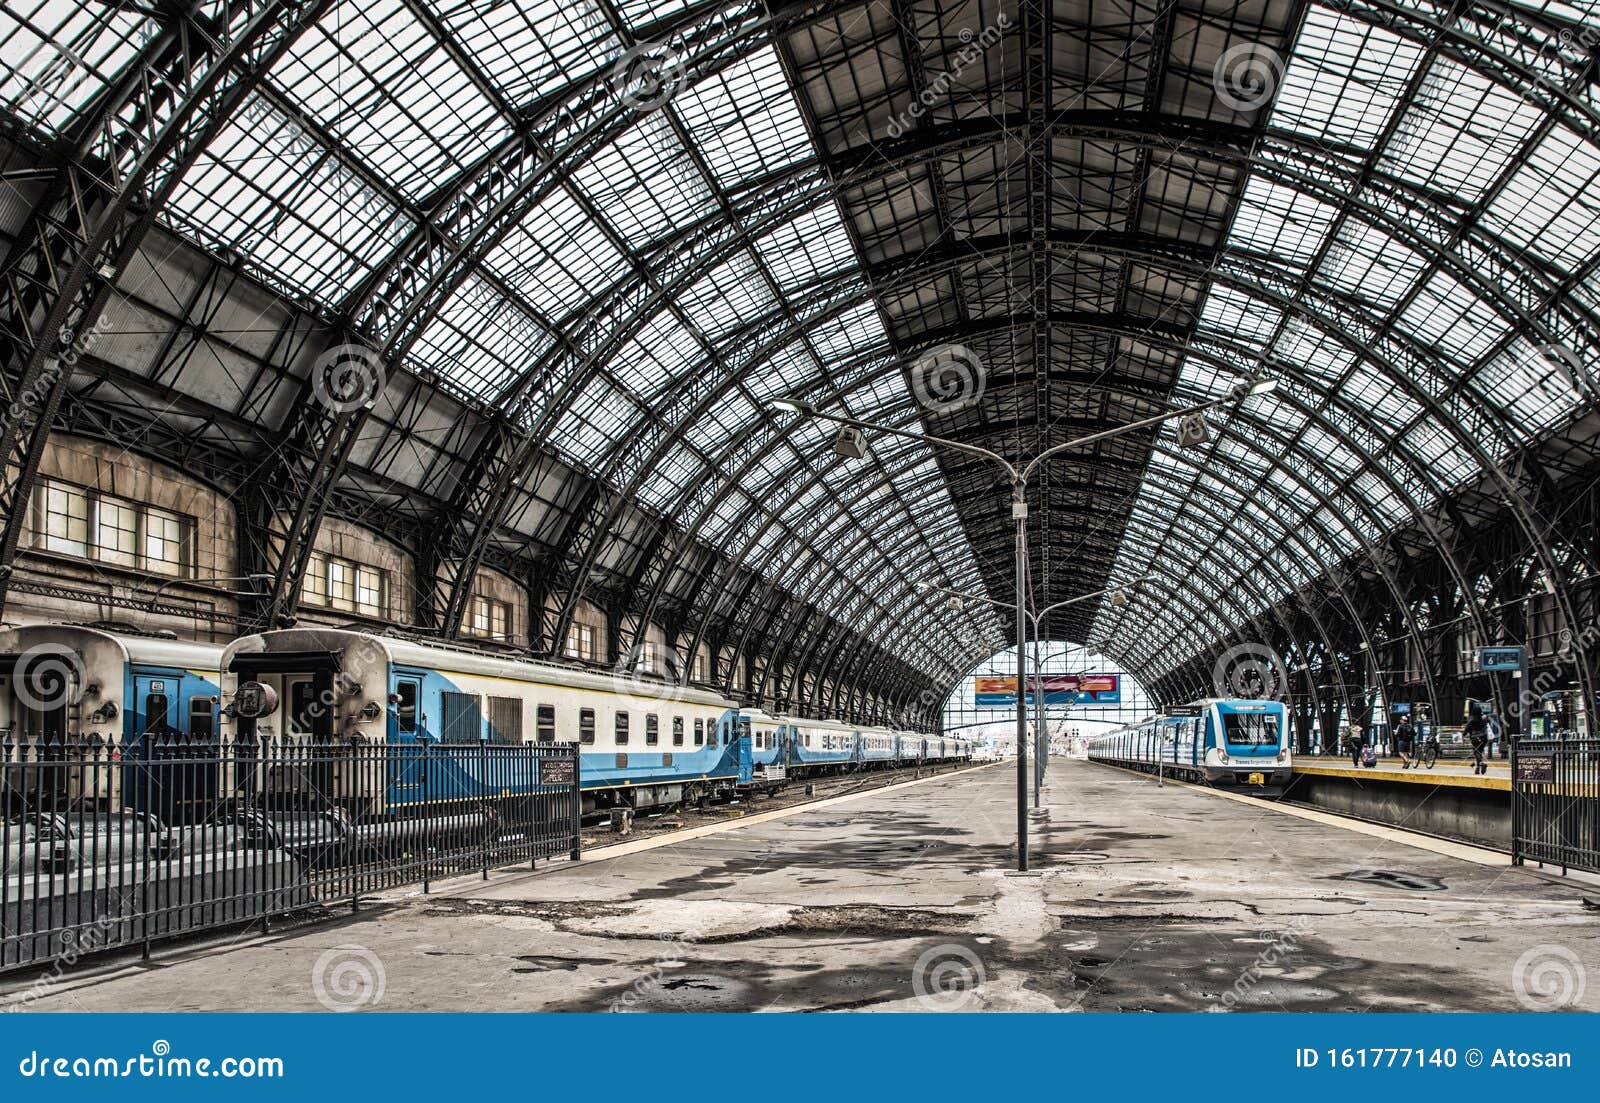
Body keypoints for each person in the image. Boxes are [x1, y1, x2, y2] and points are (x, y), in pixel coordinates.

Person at [1465, 706, 1490, 775]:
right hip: (1484, 738)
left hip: (1475, 738)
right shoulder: (1483, 719)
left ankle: (1481, 764)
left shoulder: (1472, 720)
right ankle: (1478, 768)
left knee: (1476, 752)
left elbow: (1467, 729)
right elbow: (1487, 725)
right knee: (1480, 751)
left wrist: (1464, 734)